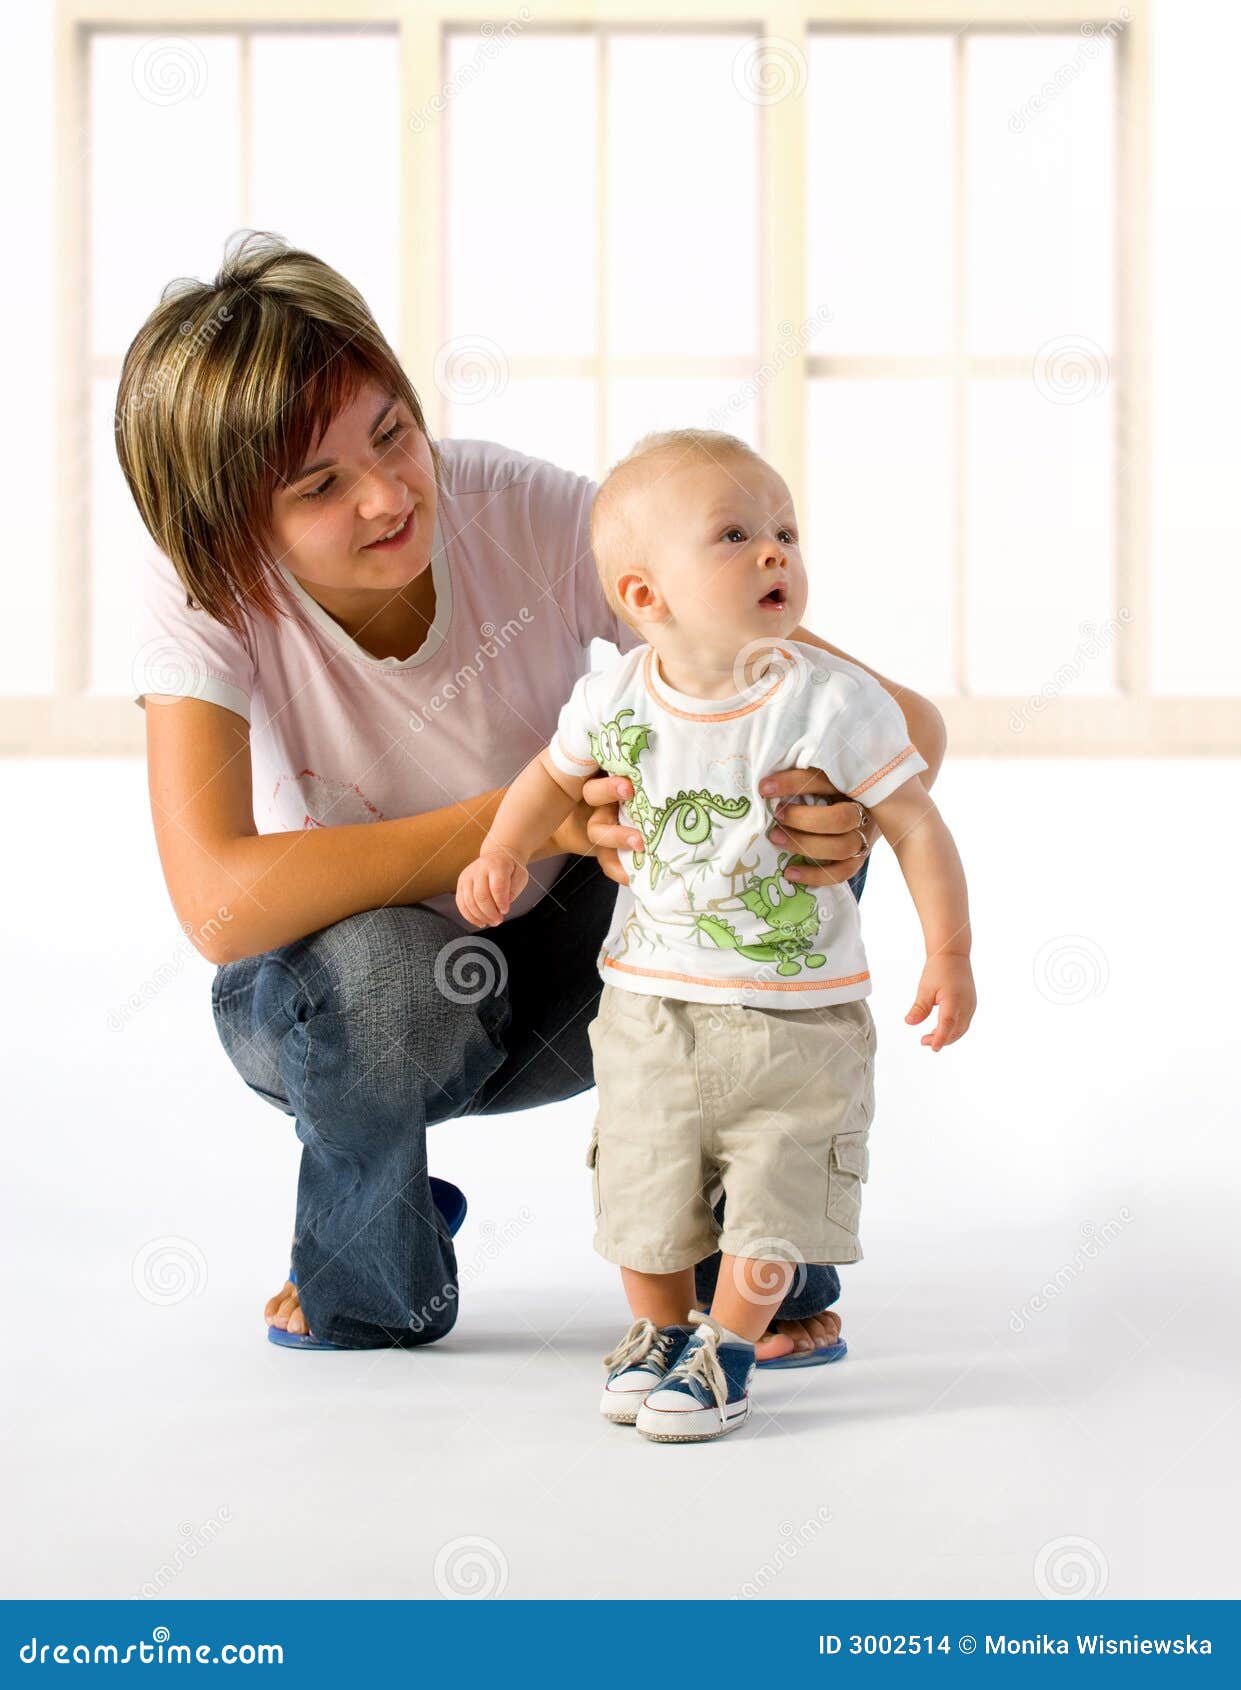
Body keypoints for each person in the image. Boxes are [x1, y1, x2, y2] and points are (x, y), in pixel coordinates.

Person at [116, 230, 947, 1354]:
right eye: (319, 486)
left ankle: (732, 1251)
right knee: (380, 978)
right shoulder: (205, 597)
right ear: (228, 530)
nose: (385, 495)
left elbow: (902, 721)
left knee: (769, 860)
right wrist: (516, 818)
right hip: (348, 1007)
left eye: (393, 432)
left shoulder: (524, 510)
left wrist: (839, 808)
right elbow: (215, 903)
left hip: (586, 982)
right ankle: (374, 1241)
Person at [456, 428, 975, 1439]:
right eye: (734, 535)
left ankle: (728, 1350)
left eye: (783, 529)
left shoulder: (831, 700)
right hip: (651, 1005)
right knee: (640, 1185)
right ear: (645, 597)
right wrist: (503, 850)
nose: (775, 551)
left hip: (796, 1017)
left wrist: (947, 953)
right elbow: (550, 776)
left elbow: (912, 819)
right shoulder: (613, 696)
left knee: (777, 1195)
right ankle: (656, 1334)